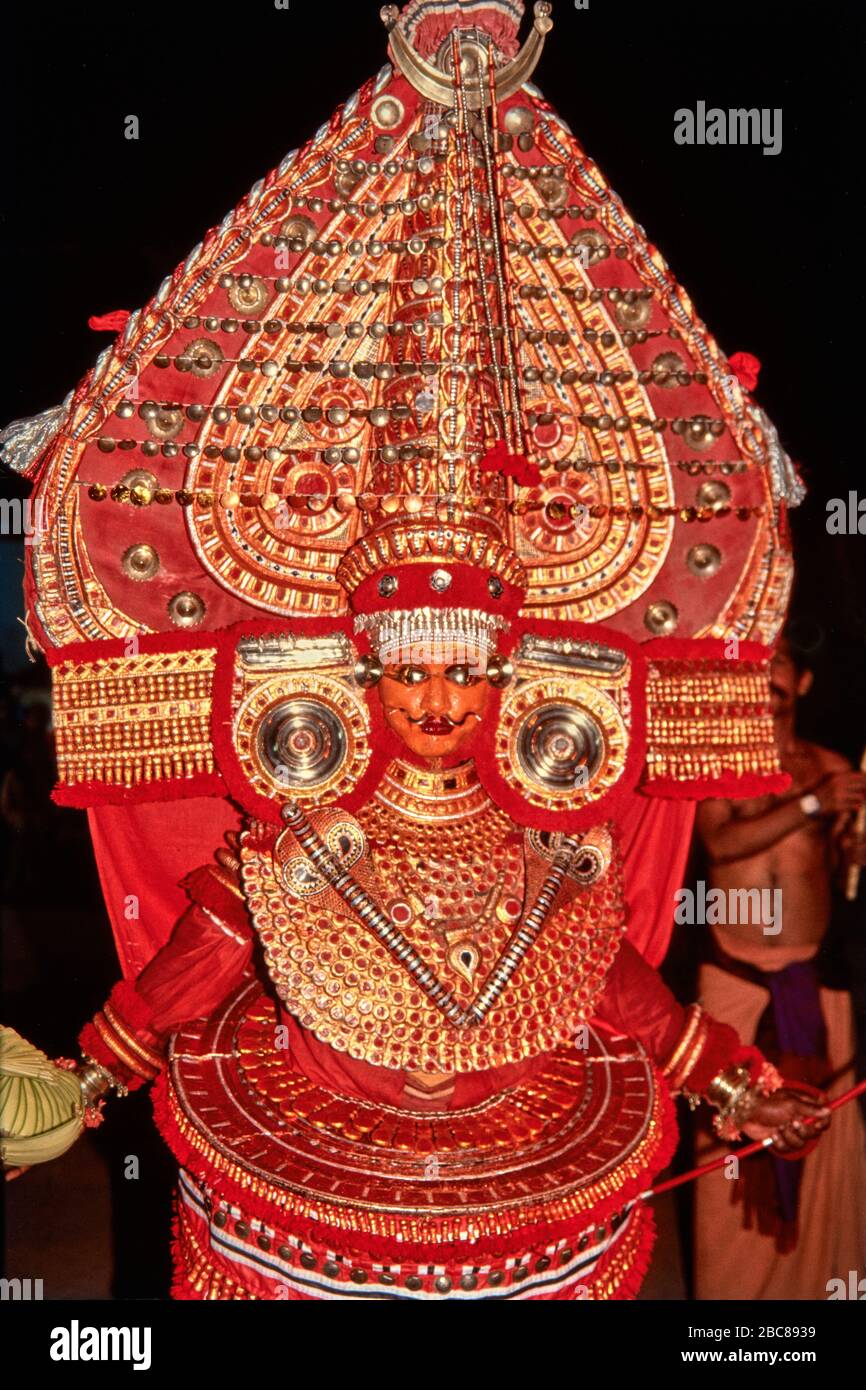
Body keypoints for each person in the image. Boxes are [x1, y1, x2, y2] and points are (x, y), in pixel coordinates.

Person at [0, 0, 830, 1300]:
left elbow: (613, 987)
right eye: (413, 667)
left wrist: (733, 1080)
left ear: (512, 679)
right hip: (305, 1199)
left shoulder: (550, 851)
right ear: (360, 673)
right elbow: (199, 963)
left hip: (534, 1201)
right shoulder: (298, 849)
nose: (439, 695)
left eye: (467, 668)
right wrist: (85, 1075)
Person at [694, 635, 866, 1299]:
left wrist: (852, 838)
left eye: (782, 663)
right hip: (737, 985)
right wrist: (814, 803)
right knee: (731, 1163)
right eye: (754, 666)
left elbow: (838, 867)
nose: (768, 675)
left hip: (812, 984)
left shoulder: (828, 764)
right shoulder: (718, 764)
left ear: (805, 682)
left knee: (822, 1147)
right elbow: (720, 841)